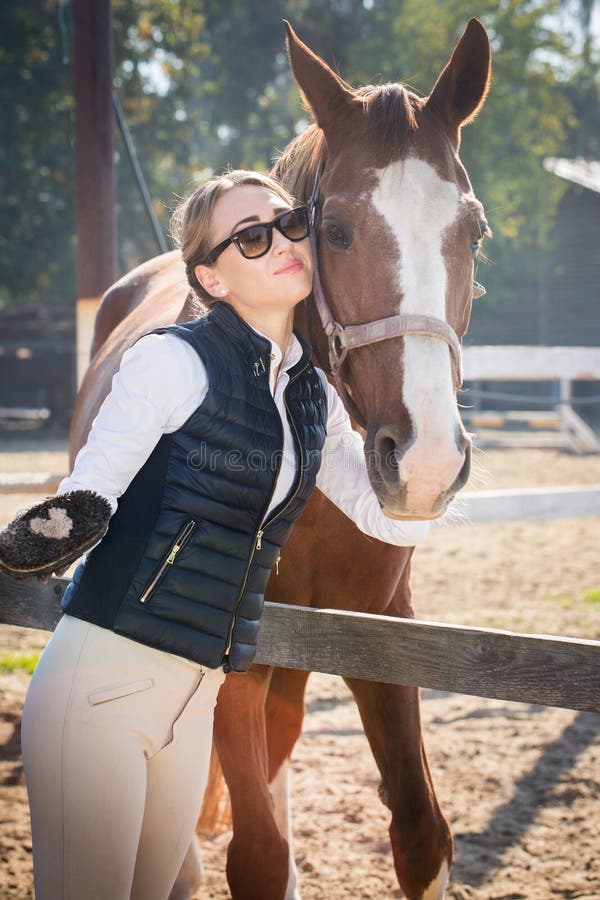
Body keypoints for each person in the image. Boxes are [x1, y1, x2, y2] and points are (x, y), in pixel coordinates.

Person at [0, 169, 430, 900]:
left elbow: (379, 512)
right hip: (104, 682)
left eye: (290, 223)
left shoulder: (309, 394)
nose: (285, 243)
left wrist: (433, 460)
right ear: (211, 276)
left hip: (193, 704)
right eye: (253, 237)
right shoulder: (169, 359)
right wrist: (24, 546)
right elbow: (88, 495)